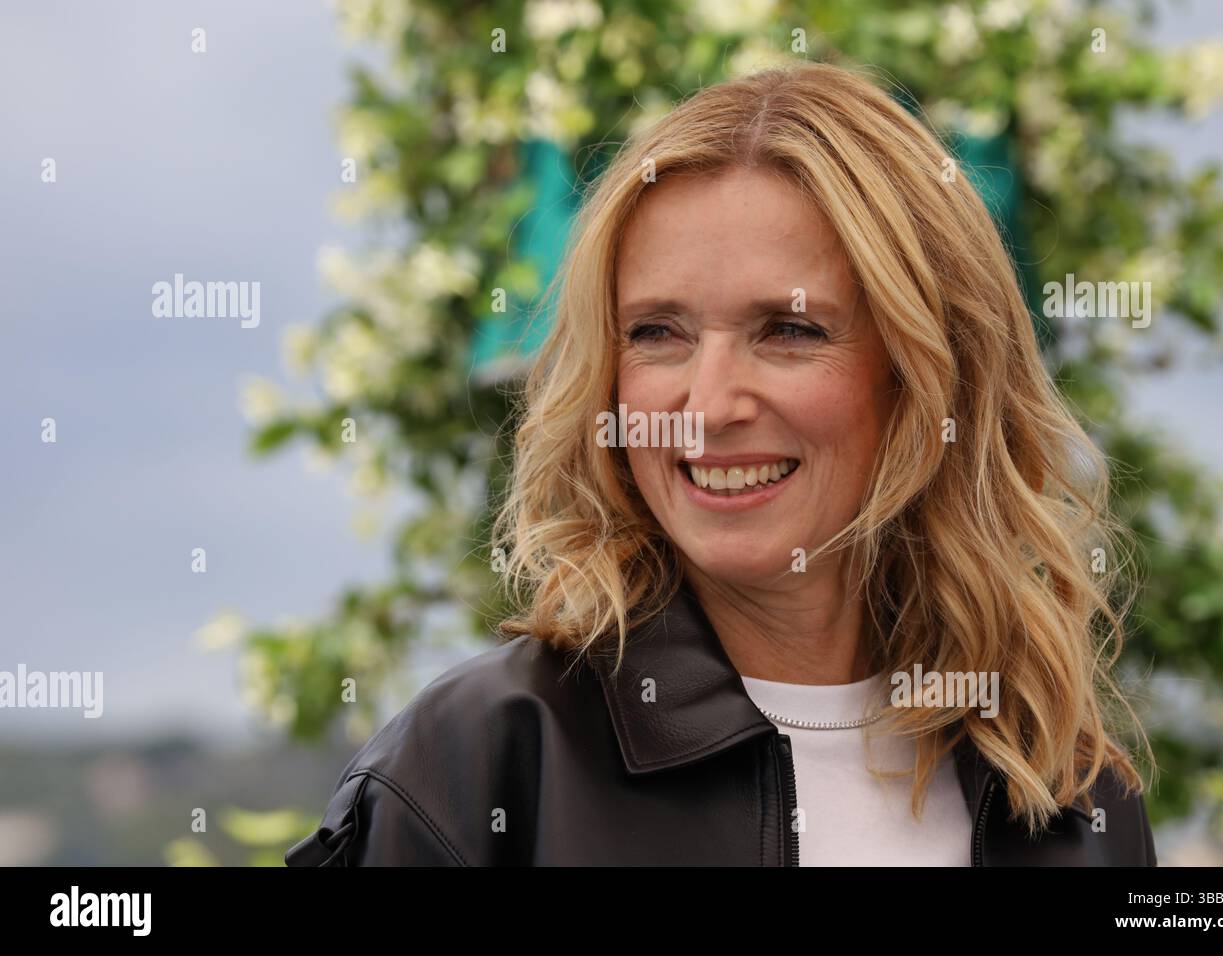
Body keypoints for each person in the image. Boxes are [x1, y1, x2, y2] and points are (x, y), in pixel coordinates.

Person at [286, 61, 1157, 867]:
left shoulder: (1071, 794)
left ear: (927, 373)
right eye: (658, 333)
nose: (706, 408)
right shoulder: (478, 769)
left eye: (789, 330)